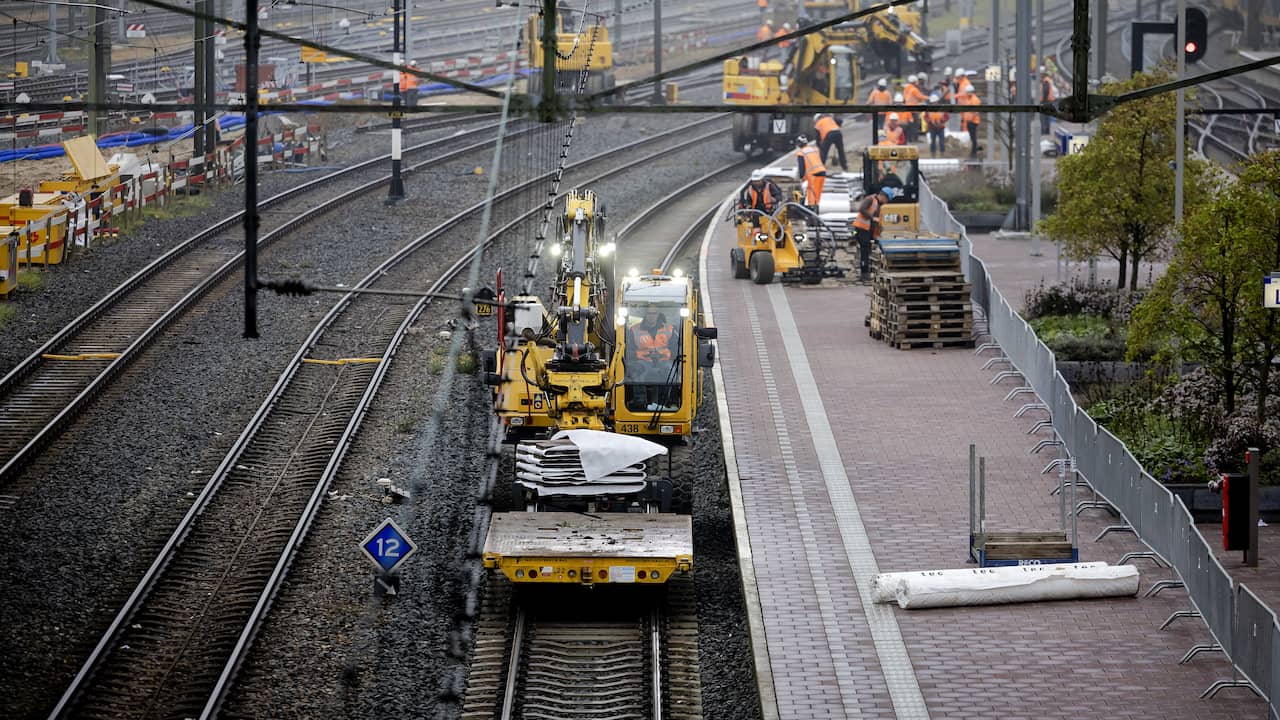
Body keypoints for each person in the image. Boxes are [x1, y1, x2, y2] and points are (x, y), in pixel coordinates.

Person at [627, 305, 678, 409]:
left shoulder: (670, 329)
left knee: (670, 371)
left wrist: (666, 355)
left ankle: (664, 403)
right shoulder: (634, 330)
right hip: (643, 361)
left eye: (654, 313)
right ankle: (640, 402)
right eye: (649, 313)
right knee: (635, 370)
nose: (651, 316)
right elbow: (627, 350)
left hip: (664, 360)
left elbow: (677, 348)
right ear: (645, 314)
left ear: (658, 314)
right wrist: (639, 355)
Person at [851, 186, 900, 282]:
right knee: (865, 251)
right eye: (887, 199)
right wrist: (872, 218)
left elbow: (875, 223)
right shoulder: (870, 199)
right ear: (883, 196)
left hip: (865, 231)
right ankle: (864, 275)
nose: (887, 202)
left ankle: (865, 272)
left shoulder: (878, 204)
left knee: (867, 251)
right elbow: (862, 209)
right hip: (860, 229)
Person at [794, 135, 826, 211]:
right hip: (822, 172)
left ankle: (812, 212)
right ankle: (816, 210)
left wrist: (801, 178)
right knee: (817, 195)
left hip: (813, 175)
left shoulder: (801, 153)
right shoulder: (814, 149)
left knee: (811, 195)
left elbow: (802, 168)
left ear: (798, 144)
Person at [902, 74, 927, 142]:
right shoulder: (914, 89)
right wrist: (929, 98)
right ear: (914, 82)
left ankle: (910, 138)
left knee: (910, 124)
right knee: (916, 123)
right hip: (913, 109)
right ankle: (915, 138)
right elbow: (920, 96)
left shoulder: (906, 88)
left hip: (907, 108)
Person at [958, 88, 981, 159]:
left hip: (973, 121)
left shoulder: (975, 99)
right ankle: (974, 151)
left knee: (973, 137)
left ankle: (974, 152)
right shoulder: (968, 99)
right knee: (972, 137)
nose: (967, 94)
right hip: (968, 121)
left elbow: (976, 111)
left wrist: (971, 118)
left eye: (968, 92)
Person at [1039, 65, 1056, 135]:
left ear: (1043, 74)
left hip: (1045, 101)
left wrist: (1043, 101)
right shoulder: (1047, 80)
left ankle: (1044, 131)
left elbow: (1045, 91)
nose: (1039, 75)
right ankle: (1046, 131)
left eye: (1040, 74)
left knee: (1044, 117)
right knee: (1047, 117)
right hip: (1048, 101)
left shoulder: (1045, 81)